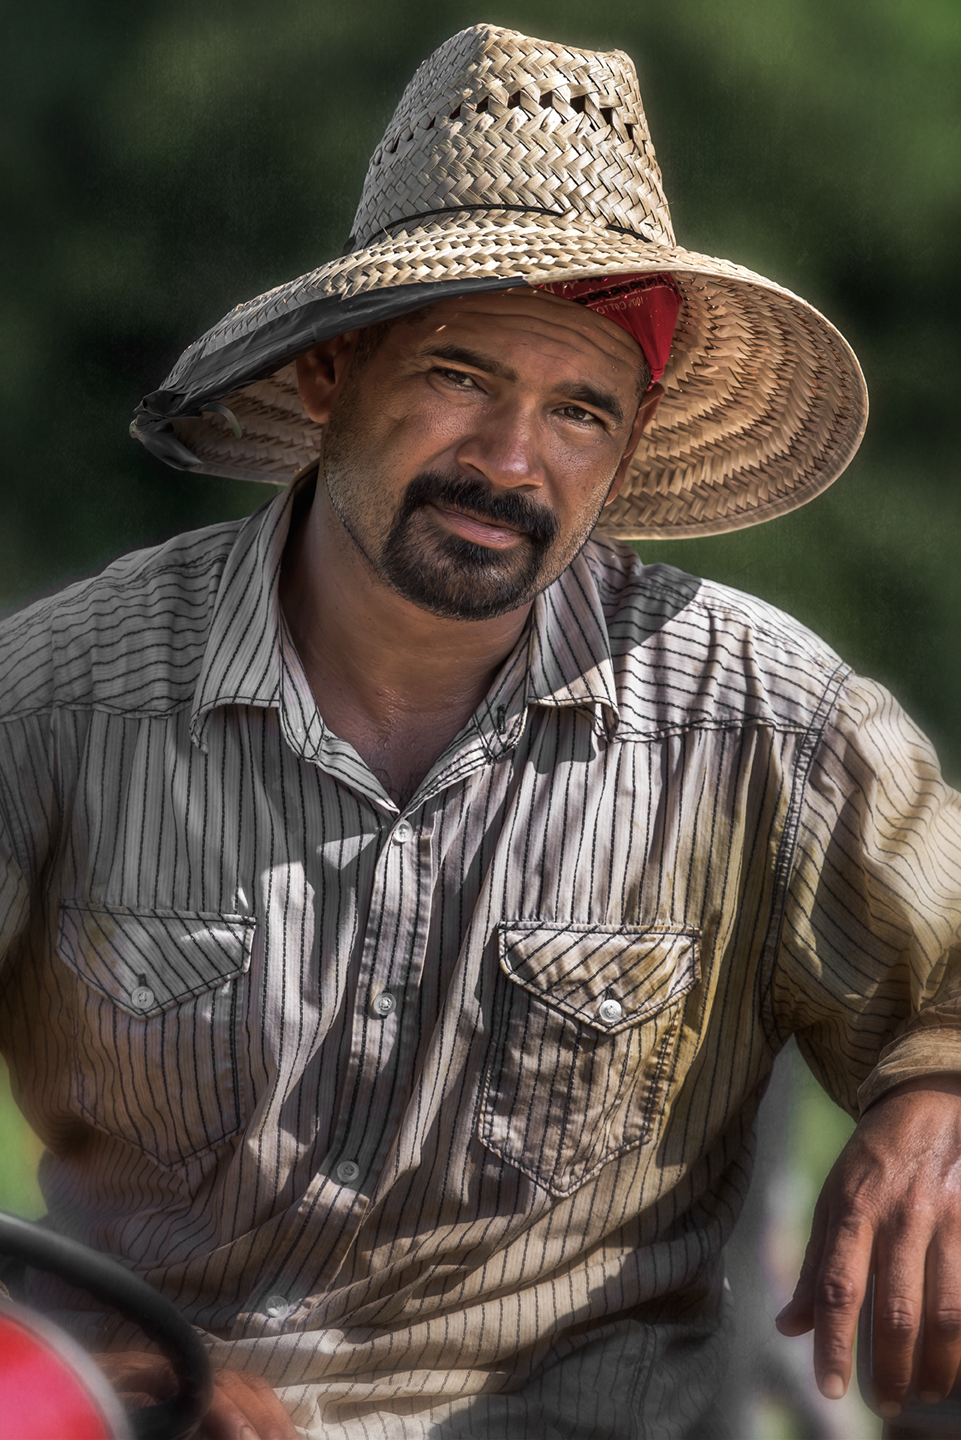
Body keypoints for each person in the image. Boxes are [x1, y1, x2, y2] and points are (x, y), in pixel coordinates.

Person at [1, 22, 958, 1440]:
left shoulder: (763, 716)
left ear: (624, 452)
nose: (512, 461)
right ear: (331, 379)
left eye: (578, 409)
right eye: (460, 377)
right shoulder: (63, 695)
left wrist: (939, 1097)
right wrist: (142, 1376)